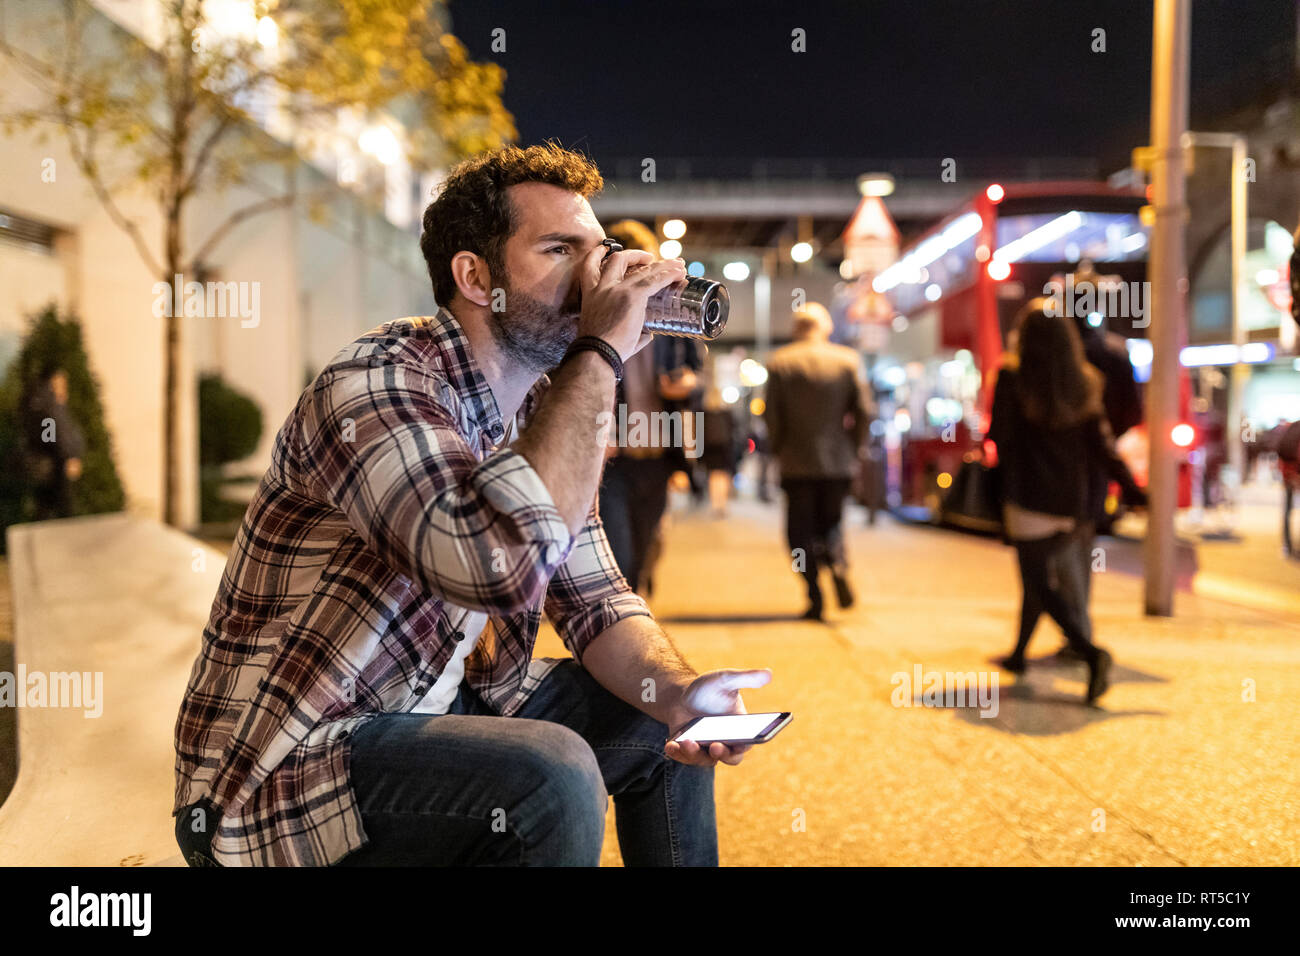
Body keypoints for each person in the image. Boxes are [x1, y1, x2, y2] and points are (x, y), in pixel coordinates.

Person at [172, 144, 773, 867]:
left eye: (598, 250)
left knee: (655, 725)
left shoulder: (544, 408)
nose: (593, 275)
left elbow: (596, 601)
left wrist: (678, 692)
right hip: (286, 767)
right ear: (475, 276)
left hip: (433, 713)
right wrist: (599, 356)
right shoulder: (377, 384)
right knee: (548, 775)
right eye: (559, 250)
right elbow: (495, 567)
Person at [988, 299, 1147, 705]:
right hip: (1072, 501)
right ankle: (1021, 654)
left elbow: (1000, 438)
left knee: (1037, 581)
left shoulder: (1011, 378)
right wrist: (1133, 490)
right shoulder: (1086, 381)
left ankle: (1092, 653)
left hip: (1028, 497)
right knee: (1038, 575)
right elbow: (1103, 446)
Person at [596, 219, 702, 594]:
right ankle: (624, 617)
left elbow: (694, 374)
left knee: (646, 541)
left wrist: (686, 383)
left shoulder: (670, 315)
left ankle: (634, 600)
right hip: (612, 453)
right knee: (618, 550)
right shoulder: (594, 314)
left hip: (658, 450)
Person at [763, 303, 872, 620]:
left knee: (798, 534)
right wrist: (855, 449)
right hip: (838, 463)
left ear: (797, 328)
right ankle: (837, 563)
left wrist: (779, 449)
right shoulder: (848, 361)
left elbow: (771, 415)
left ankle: (814, 593)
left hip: (796, 463)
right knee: (833, 524)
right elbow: (864, 411)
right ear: (826, 328)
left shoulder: (780, 362)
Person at [22, 366, 85, 520]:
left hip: (55, 466)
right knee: (59, 511)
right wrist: (68, 456)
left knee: (52, 510)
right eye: (60, 383)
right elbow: (50, 438)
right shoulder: (48, 408)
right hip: (55, 469)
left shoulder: (51, 406)